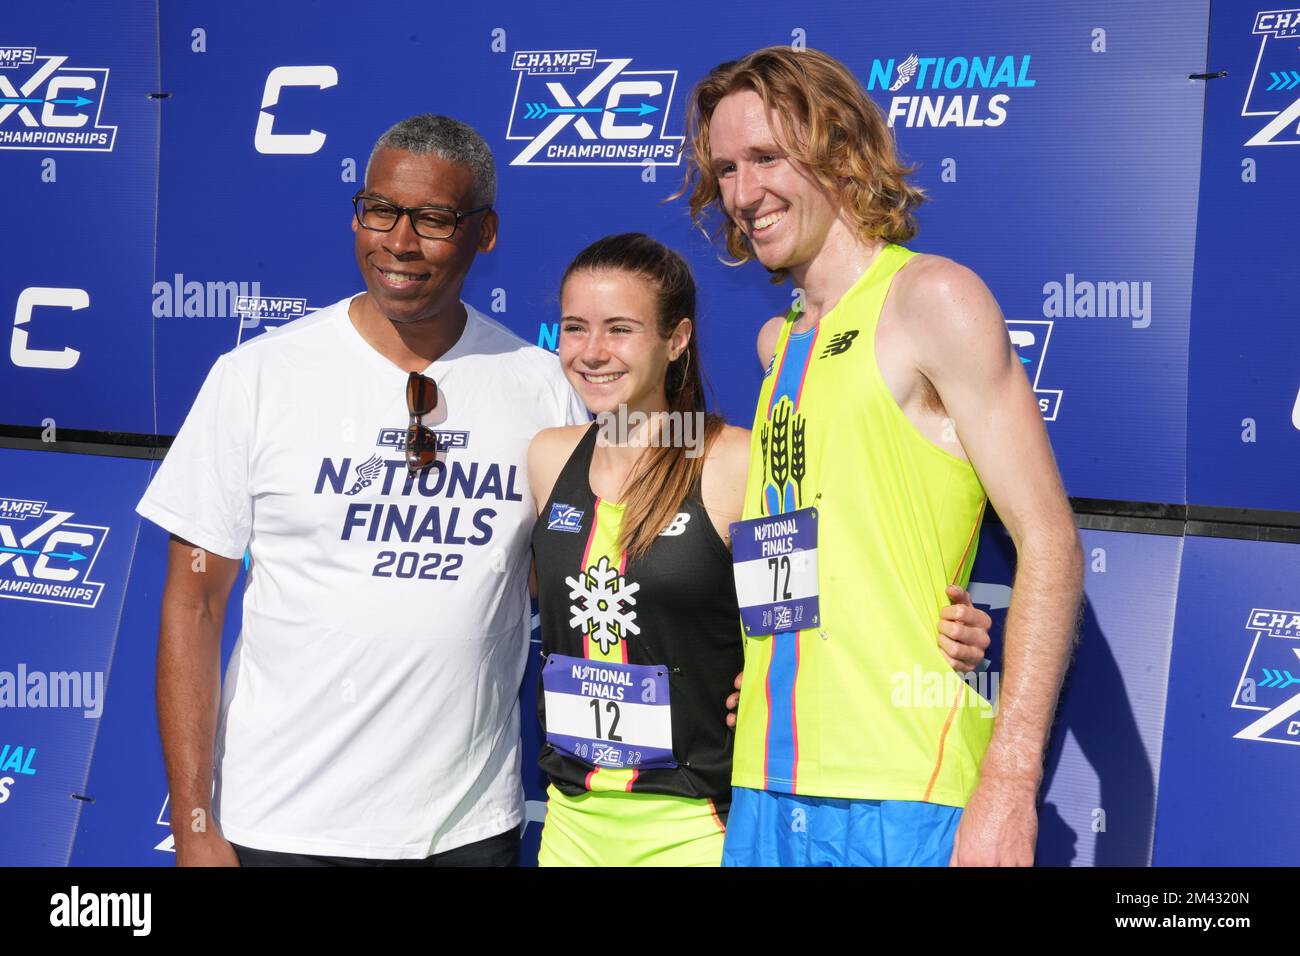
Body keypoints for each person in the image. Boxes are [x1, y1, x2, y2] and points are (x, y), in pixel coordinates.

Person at [137, 114, 585, 866]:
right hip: (281, 829)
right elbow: (195, 602)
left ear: (486, 234)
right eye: (379, 210)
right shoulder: (256, 378)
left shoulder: (540, 386)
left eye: (435, 219)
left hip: (467, 832)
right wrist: (194, 821)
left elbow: (578, 580)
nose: (399, 242)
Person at [677, 47, 1083, 866]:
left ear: (838, 146)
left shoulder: (931, 300)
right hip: (765, 782)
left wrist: (1008, 785)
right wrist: (766, 672)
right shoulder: (777, 344)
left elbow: (1049, 541)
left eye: (766, 158)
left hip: (903, 788)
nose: (743, 193)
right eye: (725, 168)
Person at [525, 232, 993, 866]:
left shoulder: (736, 460)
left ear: (677, 339)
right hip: (570, 824)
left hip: (696, 828)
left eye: (621, 329)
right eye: (576, 328)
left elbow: (805, 615)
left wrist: (942, 631)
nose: (592, 352)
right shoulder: (549, 457)